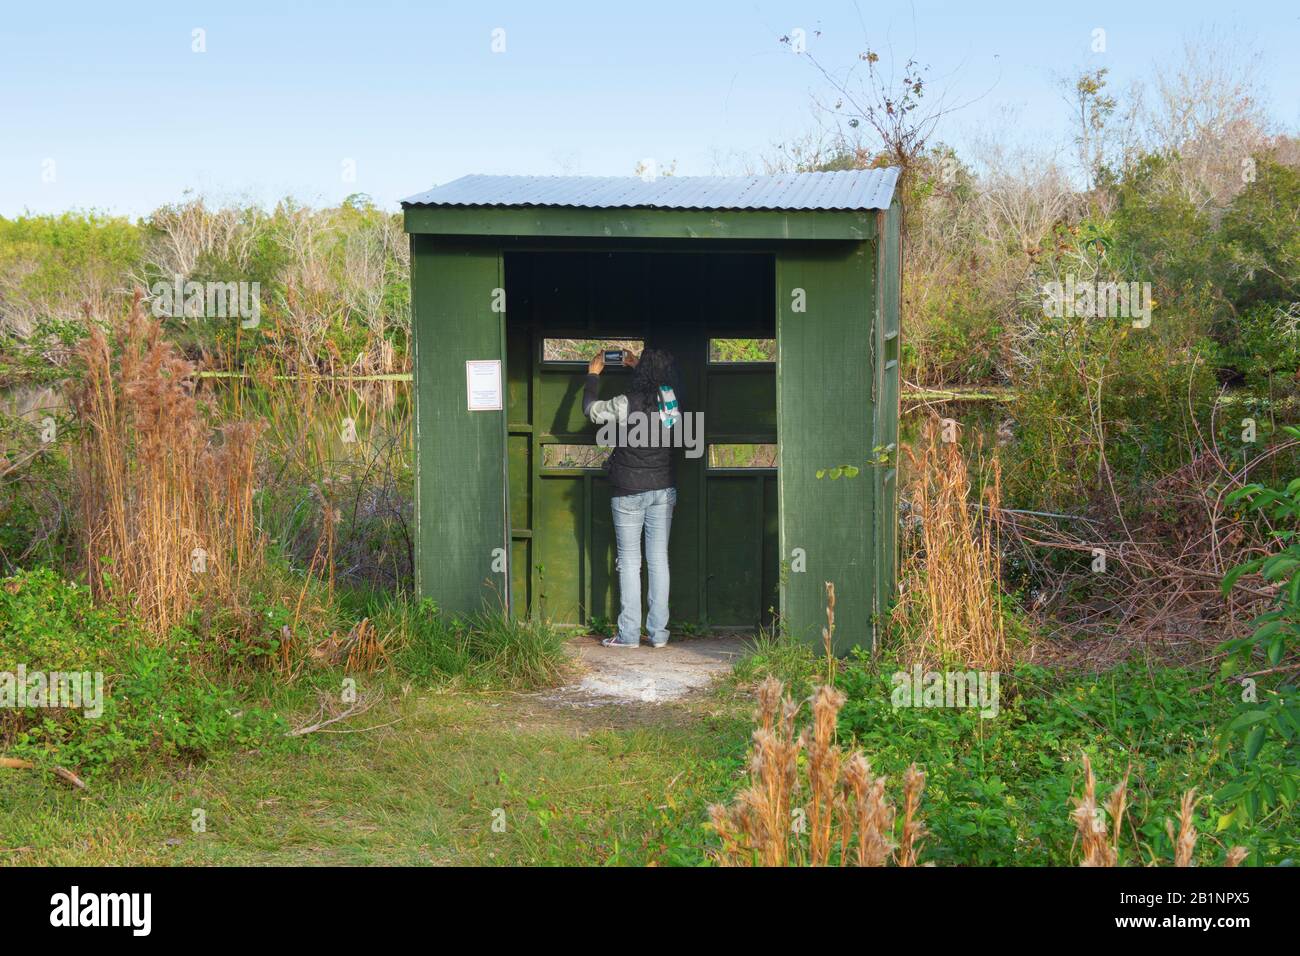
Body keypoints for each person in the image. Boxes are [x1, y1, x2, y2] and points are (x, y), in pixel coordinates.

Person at [583, 347, 682, 648]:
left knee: (628, 562)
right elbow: (665, 394)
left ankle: (627, 636)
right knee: (658, 561)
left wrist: (592, 376)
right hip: (662, 490)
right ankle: (659, 635)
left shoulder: (626, 403)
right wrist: (642, 365)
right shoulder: (669, 399)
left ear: (640, 372)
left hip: (628, 491)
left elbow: (590, 410)